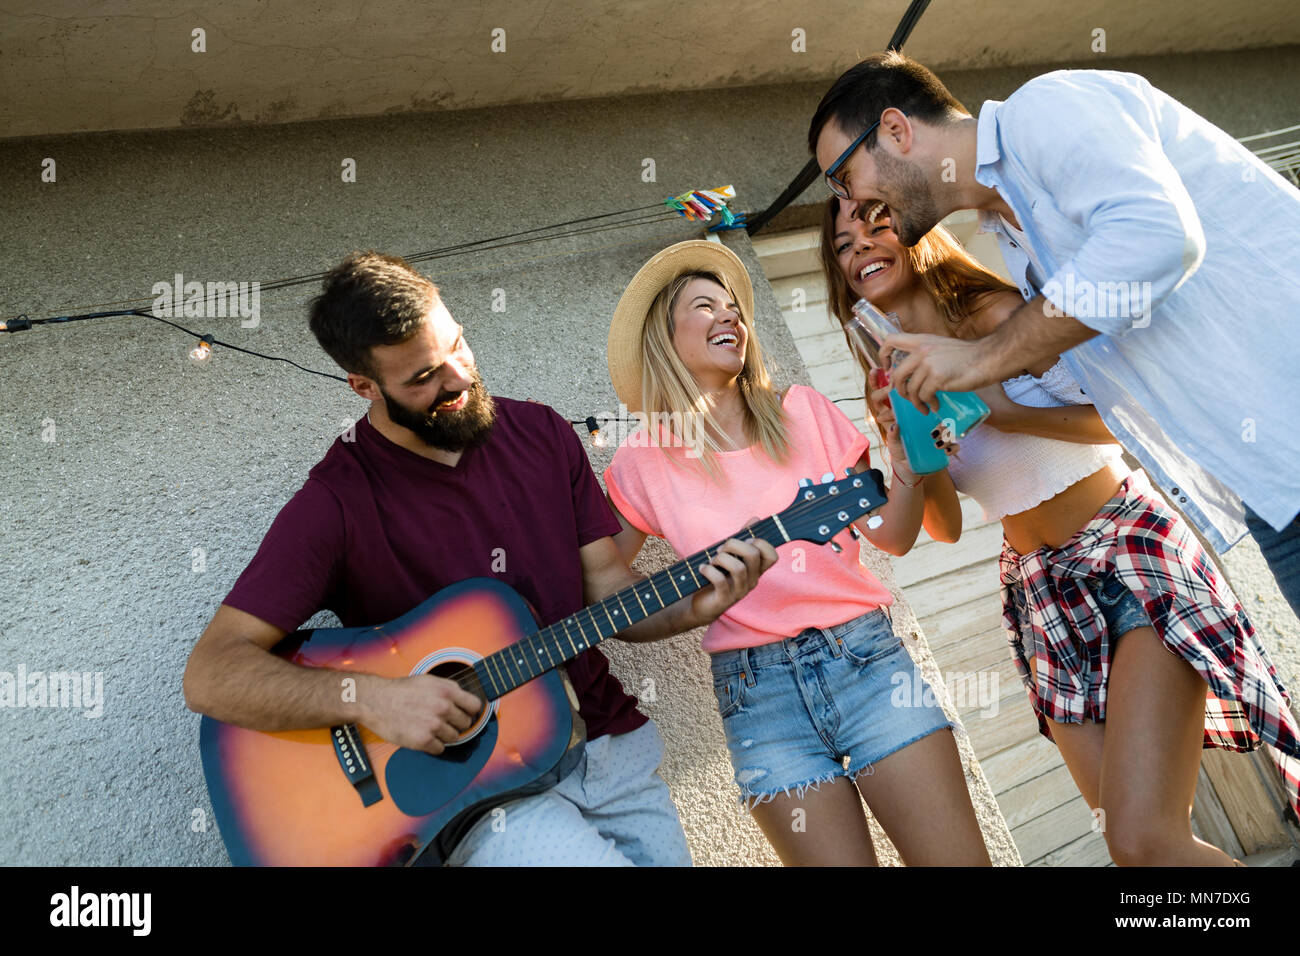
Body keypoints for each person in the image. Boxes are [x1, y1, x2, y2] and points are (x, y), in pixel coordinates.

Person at [182, 250, 778, 867]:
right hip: (482, 796)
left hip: (606, 747)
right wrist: (373, 700)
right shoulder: (336, 503)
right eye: (423, 379)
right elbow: (210, 674)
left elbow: (607, 589)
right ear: (364, 386)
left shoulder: (544, 435)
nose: (459, 378)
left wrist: (700, 604)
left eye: (458, 347)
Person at [820, 196, 1300, 865]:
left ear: (915, 232)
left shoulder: (993, 316)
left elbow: (1126, 420)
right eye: (843, 244)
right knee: (1132, 846)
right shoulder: (894, 377)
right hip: (1039, 591)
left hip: (1124, 555)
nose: (862, 247)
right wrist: (904, 445)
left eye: (876, 226)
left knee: (1146, 839)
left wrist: (1004, 408)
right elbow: (946, 524)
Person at [806, 51, 1300, 623]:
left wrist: (982, 361)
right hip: (1268, 481)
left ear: (894, 131)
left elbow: (1158, 237)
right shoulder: (1019, 239)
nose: (849, 204)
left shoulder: (1044, 110)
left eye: (844, 175)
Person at [601, 239, 990, 866]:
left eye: (735, 308)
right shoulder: (639, 462)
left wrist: (904, 464)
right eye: (706, 307)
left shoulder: (803, 410)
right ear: (664, 339)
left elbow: (891, 535)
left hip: (866, 662)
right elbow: (601, 590)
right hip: (756, 694)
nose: (732, 316)